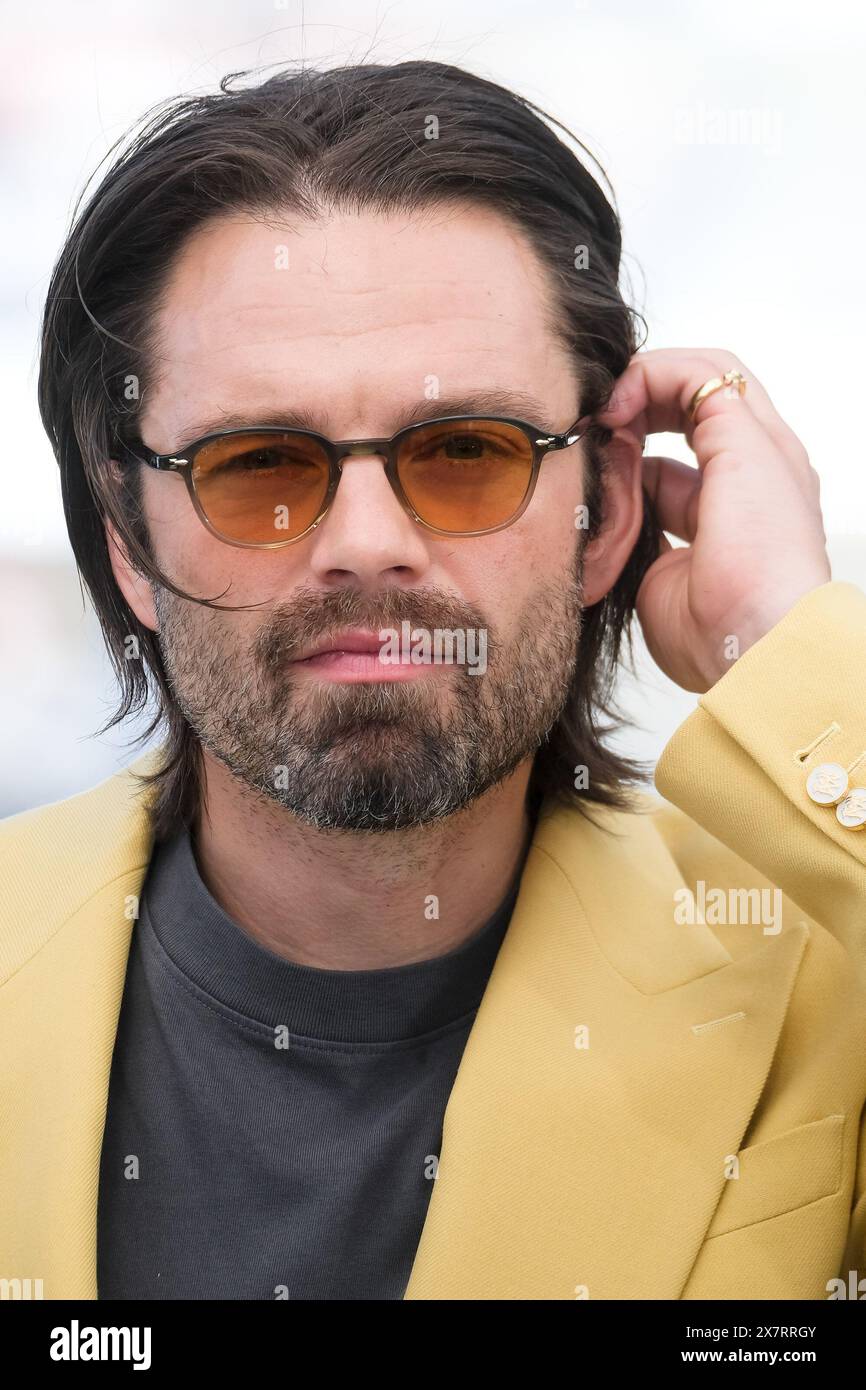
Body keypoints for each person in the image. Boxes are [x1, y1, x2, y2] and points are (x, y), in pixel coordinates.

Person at [2, 59, 865, 1302]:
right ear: (131, 544)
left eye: (465, 451)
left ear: (608, 509)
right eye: (260, 463)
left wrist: (783, 641)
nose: (364, 540)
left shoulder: (820, 988)